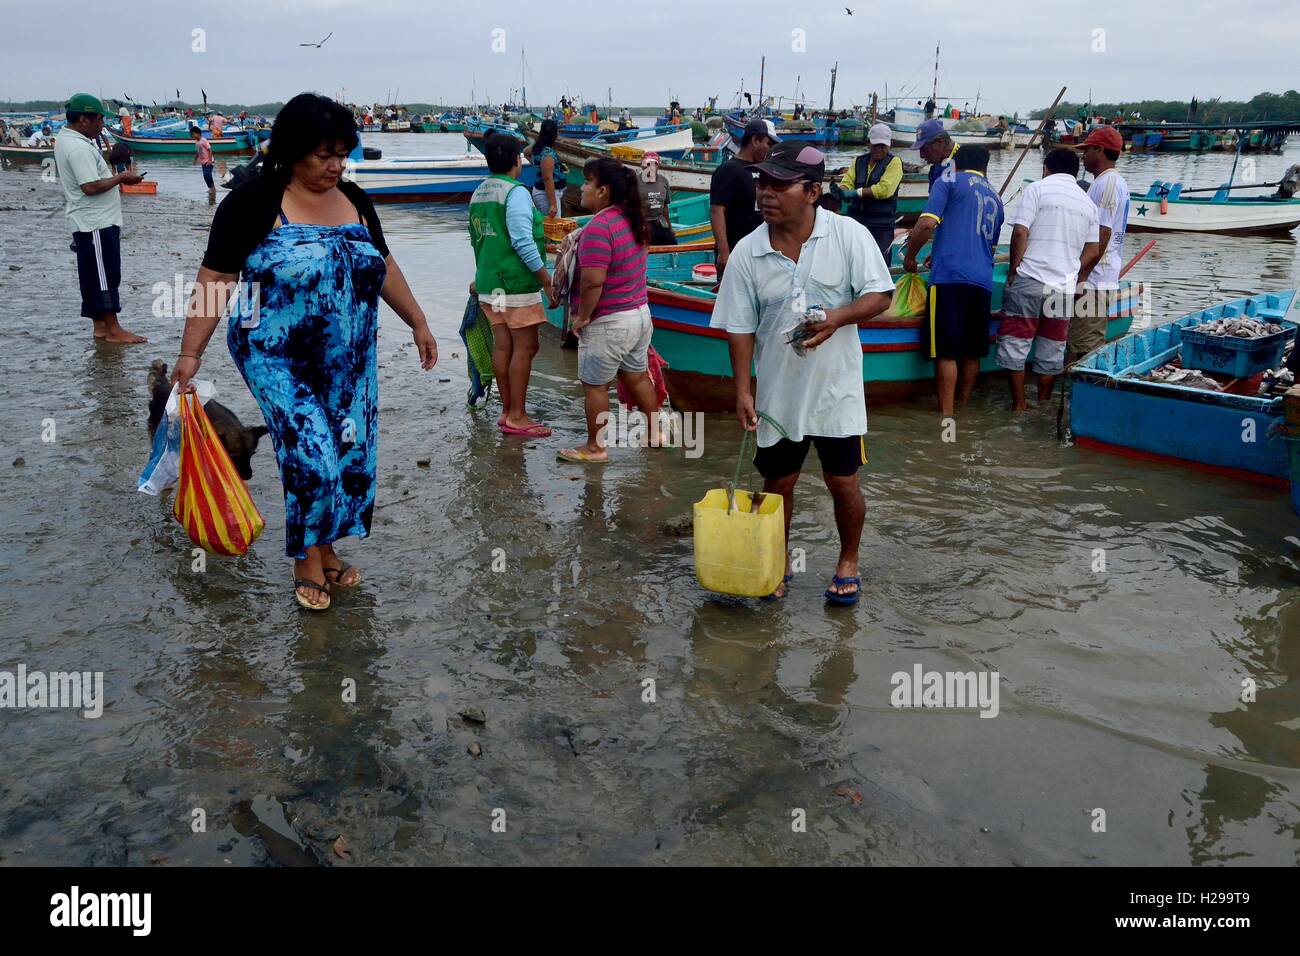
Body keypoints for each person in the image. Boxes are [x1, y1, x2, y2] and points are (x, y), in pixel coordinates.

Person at [171, 93, 438, 611]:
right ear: (292, 152)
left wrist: (419, 321)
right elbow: (216, 279)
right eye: (324, 156)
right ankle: (305, 559)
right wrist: (190, 353)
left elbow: (383, 264)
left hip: (349, 359)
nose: (336, 166)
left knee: (347, 454)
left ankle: (327, 544)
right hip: (274, 354)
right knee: (311, 453)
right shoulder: (253, 201)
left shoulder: (356, 199)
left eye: (343, 154)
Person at [712, 142, 895, 604]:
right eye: (762, 183)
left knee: (843, 481)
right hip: (777, 392)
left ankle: (848, 561)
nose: (764, 194)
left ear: (812, 191)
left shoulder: (849, 235)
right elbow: (739, 327)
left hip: (837, 392)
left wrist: (838, 316)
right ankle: (777, 562)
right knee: (778, 484)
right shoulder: (747, 254)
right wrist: (742, 391)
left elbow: (881, 295)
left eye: (778, 184)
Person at [557, 157, 667, 463]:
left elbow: (593, 282)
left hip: (609, 321)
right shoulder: (633, 221)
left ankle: (595, 447)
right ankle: (655, 432)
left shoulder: (598, 228)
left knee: (594, 386)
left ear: (603, 191)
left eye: (588, 182)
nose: (582, 188)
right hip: (639, 315)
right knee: (636, 377)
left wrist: (582, 317)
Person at [902, 144, 1004, 418]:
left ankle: (946, 415)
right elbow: (986, 245)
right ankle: (963, 406)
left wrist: (910, 257)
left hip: (950, 278)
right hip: (982, 279)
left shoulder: (948, 181)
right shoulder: (996, 197)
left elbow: (925, 225)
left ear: (955, 163)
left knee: (946, 351)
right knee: (972, 352)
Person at [996, 148, 1101, 410]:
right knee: (1052, 350)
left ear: (1046, 168)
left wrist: (1014, 268)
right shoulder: (1087, 203)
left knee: (1015, 346)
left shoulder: (1037, 189)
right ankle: (1043, 405)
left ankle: (1019, 406)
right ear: (1076, 173)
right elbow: (1094, 250)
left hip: (1030, 279)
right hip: (1063, 288)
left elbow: (1020, 232)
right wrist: (1073, 271)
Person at [469, 131, 556, 439]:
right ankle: (517, 415)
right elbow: (521, 240)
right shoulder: (515, 192)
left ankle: (507, 412)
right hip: (515, 286)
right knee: (526, 346)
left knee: (504, 345)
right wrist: (546, 279)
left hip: (490, 286)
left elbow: (480, 241)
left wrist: (479, 278)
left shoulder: (480, 192)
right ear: (518, 161)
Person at [53, 93, 147, 344]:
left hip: (90, 221)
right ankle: (114, 330)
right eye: (98, 120)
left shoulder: (70, 139)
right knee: (105, 276)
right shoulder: (77, 147)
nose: (101, 125)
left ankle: (101, 327)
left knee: (94, 275)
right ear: (84, 119)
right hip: (95, 222)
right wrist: (121, 178)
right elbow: (90, 186)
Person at [1071, 126, 1130, 362]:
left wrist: (1081, 276)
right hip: (1099, 276)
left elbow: (1102, 235)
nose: (1083, 155)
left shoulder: (1107, 183)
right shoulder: (1109, 182)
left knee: (1083, 347)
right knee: (1079, 340)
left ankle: (1078, 395)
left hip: (1094, 280)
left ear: (1100, 150)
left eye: (1087, 150)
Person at [709, 118, 778, 278]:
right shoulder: (729, 170)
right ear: (755, 140)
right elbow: (717, 211)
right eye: (769, 144)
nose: (771, 150)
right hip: (736, 251)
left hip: (762, 251)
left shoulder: (764, 171)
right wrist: (724, 252)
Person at [837, 122, 903, 264]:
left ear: (889, 145)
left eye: (883, 146)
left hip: (881, 225)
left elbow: (885, 189)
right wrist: (842, 191)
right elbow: (848, 181)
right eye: (875, 145)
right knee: (852, 262)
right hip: (856, 223)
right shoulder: (858, 161)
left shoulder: (895, 163)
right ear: (868, 143)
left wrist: (856, 193)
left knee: (880, 265)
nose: (879, 149)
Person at [525, 119, 565, 217]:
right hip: (546, 195)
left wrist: (537, 166)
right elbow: (547, 179)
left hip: (547, 193)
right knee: (553, 228)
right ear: (554, 134)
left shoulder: (538, 146)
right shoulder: (547, 154)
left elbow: (526, 152)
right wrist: (553, 205)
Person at [638, 152, 676, 245]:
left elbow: (665, 207)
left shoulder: (664, 181)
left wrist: (670, 228)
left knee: (673, 245)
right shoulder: (635, 182)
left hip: (660, 222)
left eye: (654, 164)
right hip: (644, 224)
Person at [914, 119, 957, 186]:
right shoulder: (936, 166)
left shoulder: (967, 162)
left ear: (939, 142)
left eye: (924, 149)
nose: (921, 155)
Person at [191, 125, 215, 193]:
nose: (192, 136)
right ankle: (212, 188)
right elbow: (197, 152)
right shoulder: (197, 142)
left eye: (193, 134)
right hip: (203, 162)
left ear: (198, 133)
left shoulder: (204, 140)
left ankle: (213, 188)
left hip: (209, 161)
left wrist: (210, 160)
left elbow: (209, 150)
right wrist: (195, 160)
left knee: (207, 174)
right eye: (191, 134)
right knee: (205, 176)